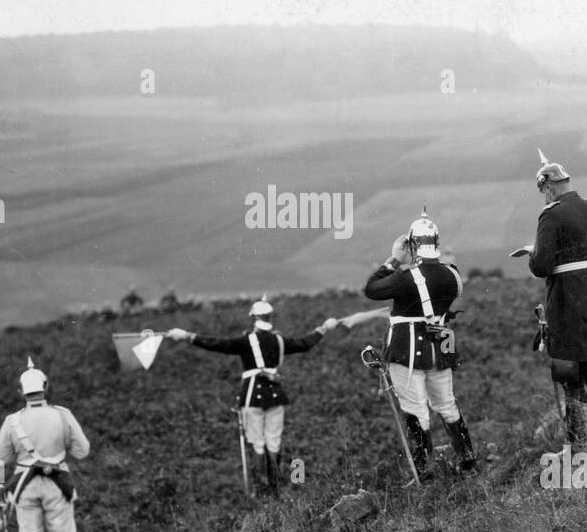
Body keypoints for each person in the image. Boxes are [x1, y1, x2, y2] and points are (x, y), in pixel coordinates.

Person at [166, 298, 337, 495]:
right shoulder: (280, 341)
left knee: (257, 442)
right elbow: (305, 343)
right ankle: (275, 490)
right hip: (275, 396)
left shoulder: (245, 341)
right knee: (274, 441)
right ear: (270, 317)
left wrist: (187, 335)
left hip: (251, 396)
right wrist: (324, 327)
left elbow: (217, 344)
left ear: (253, 317)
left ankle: (260, 489)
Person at [363, 207, 476, 477]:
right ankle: (468, 462)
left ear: (413, 244)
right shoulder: (453, 275)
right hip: (440, 349)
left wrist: (393, 259)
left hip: (406, 351)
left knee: (416, 411)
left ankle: (425, 473)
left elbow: (371, 289)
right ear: (436, 242)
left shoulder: (404, 278)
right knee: (447, 405)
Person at [525, 152, 587, 446]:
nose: (544, 197)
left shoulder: (552, 214)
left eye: (543, 192)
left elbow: (542, 265)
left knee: (570, 374)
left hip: (569, 296)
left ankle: (577, 446)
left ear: (549, 188)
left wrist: (532, 254)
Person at [0, 357, 91, 532]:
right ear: (46, 387)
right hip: (58, 485)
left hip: (25, 489)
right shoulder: (62, 415)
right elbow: (82, 451)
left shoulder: (12, 422)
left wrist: (1, 490)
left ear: (20, 392)